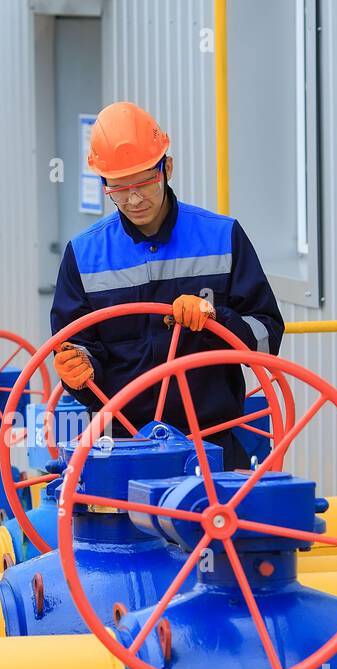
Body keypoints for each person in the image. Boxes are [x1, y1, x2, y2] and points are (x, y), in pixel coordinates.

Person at [51, 101, 284, 468]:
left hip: (212, 447)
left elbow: (267, 336)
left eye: (145, 181)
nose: (134, 198)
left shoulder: (222, 237)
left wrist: (215, 320)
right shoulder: (84, 256)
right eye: (119, 187)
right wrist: (76, 366)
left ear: (167, 168)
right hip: (122, 450)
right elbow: (76, 344)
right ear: (104, 185)